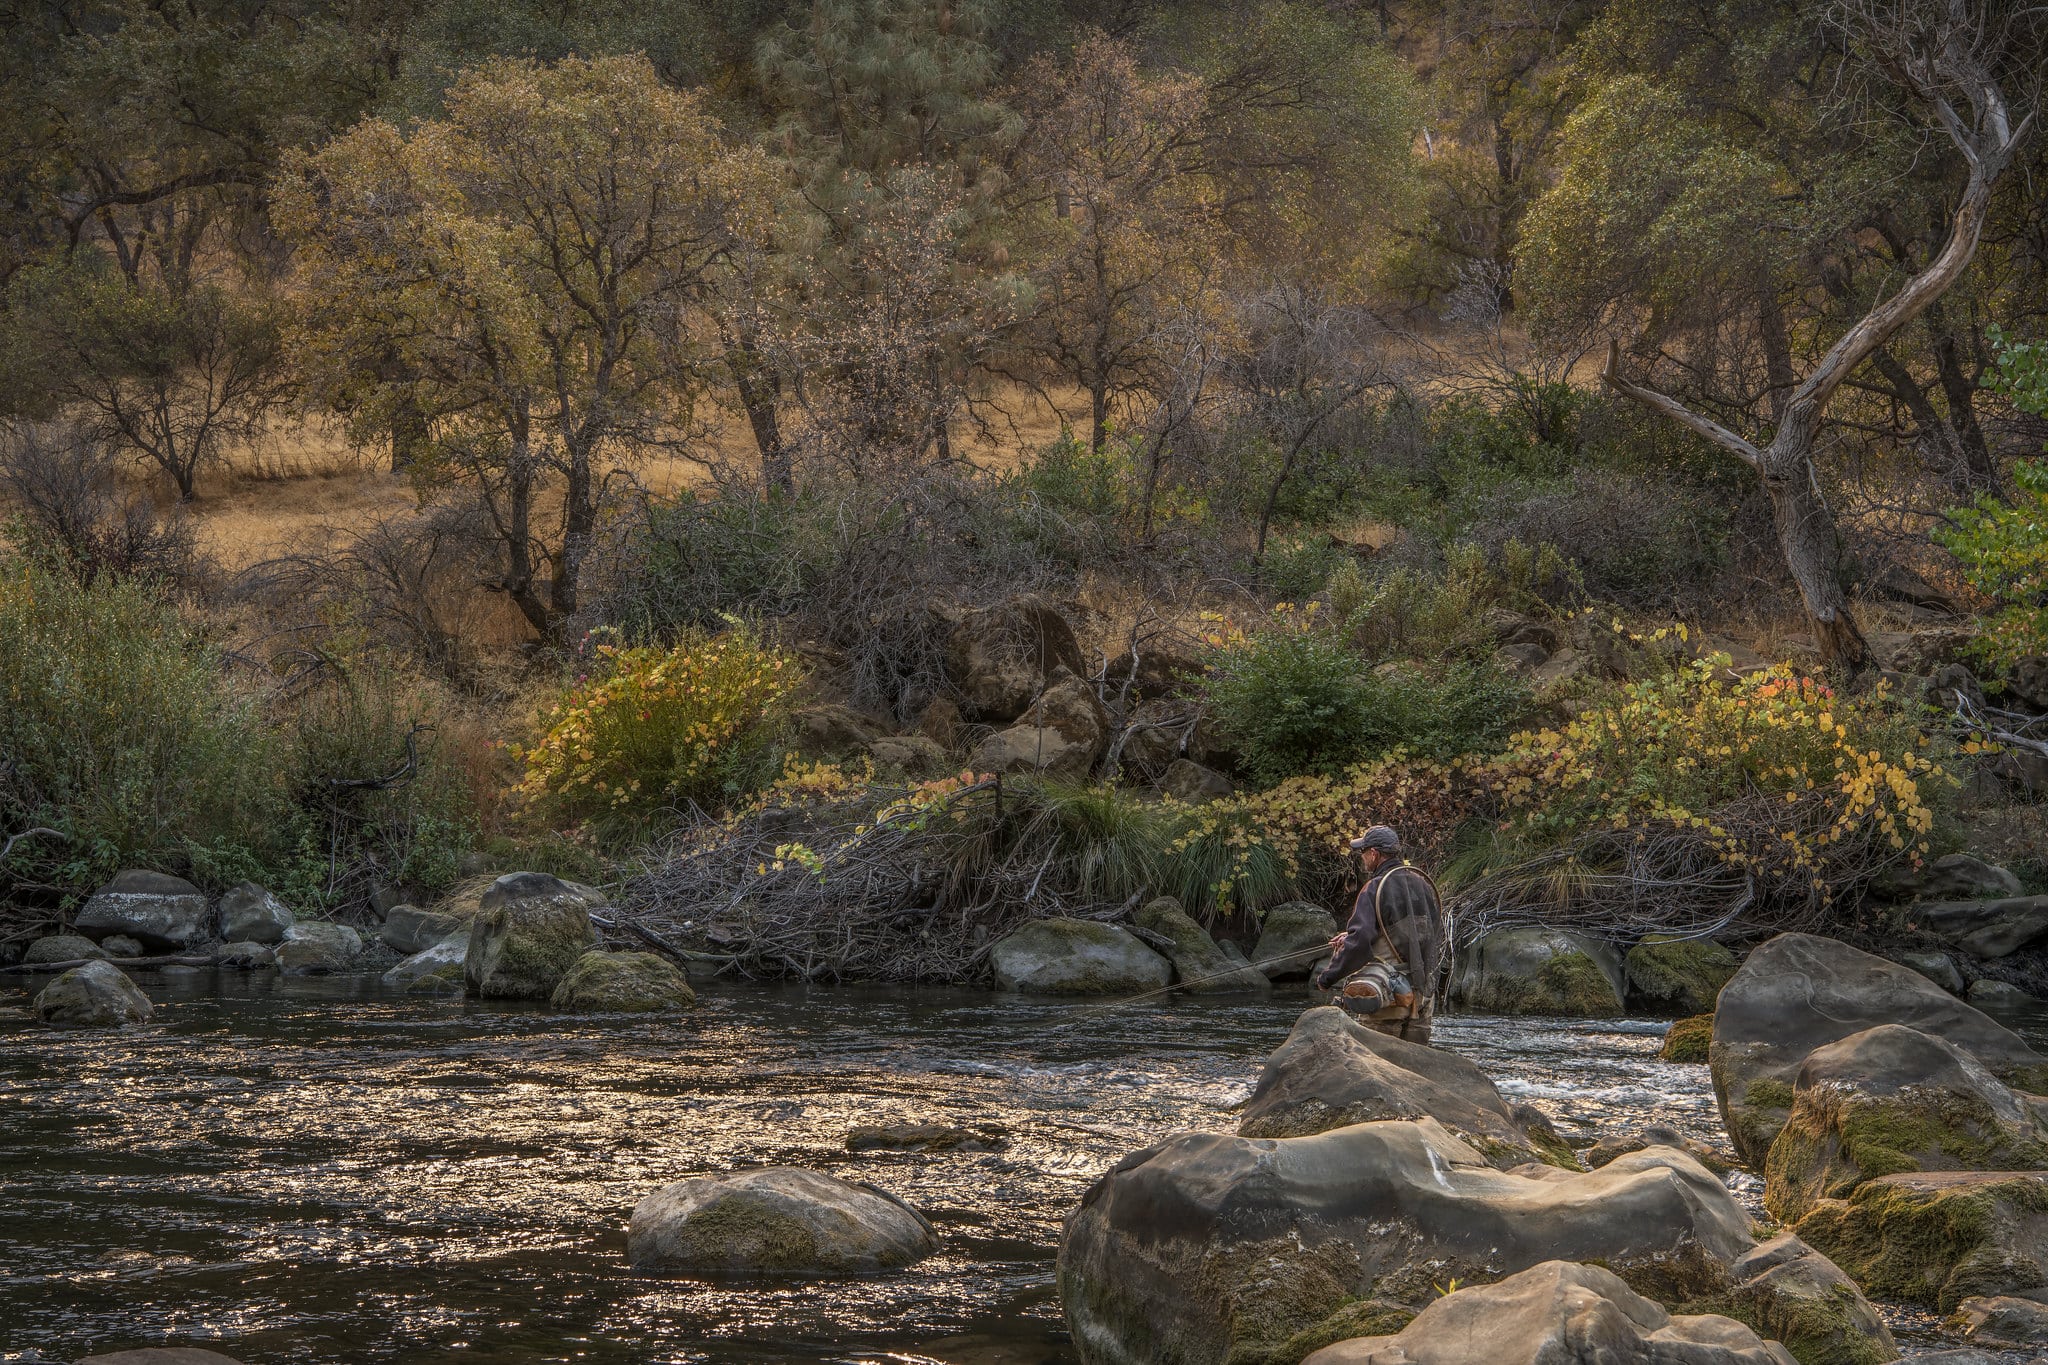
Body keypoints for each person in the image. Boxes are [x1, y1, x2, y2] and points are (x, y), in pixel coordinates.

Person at [1316, 824, 1444, 1045]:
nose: (1362, 857)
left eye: (1363, 851)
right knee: (1412, 1064)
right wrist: (1354, 935)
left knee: (1377, 1062)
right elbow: (1416, 933)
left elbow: (1360, 943)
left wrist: (1327, 978)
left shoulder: (1374, 888)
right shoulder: (1421, 883)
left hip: (1389, 999)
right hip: (1422, 998)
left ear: (1374, 854)